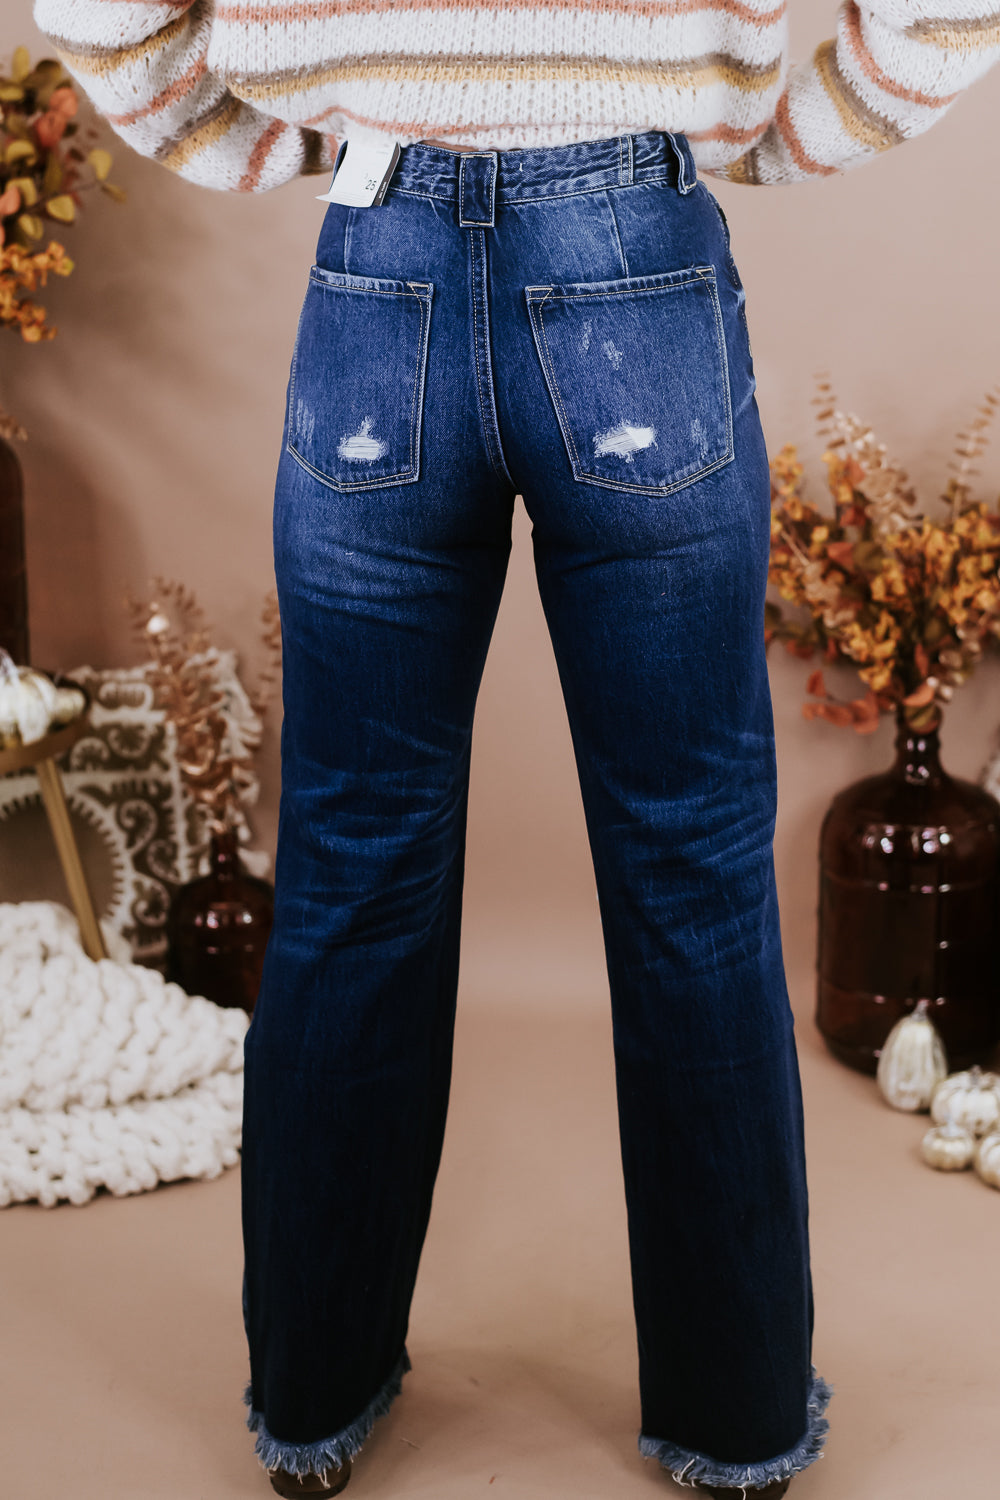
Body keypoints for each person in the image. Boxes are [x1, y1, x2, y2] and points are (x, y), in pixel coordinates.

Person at [32, 1, 1000, 1495]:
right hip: (642, 268)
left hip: (379, 269)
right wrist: (776, 136)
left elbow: (101, 8)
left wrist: (304, 141)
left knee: (353, 862)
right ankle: (738, 1426)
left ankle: (310, 1407)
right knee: (693, 872)